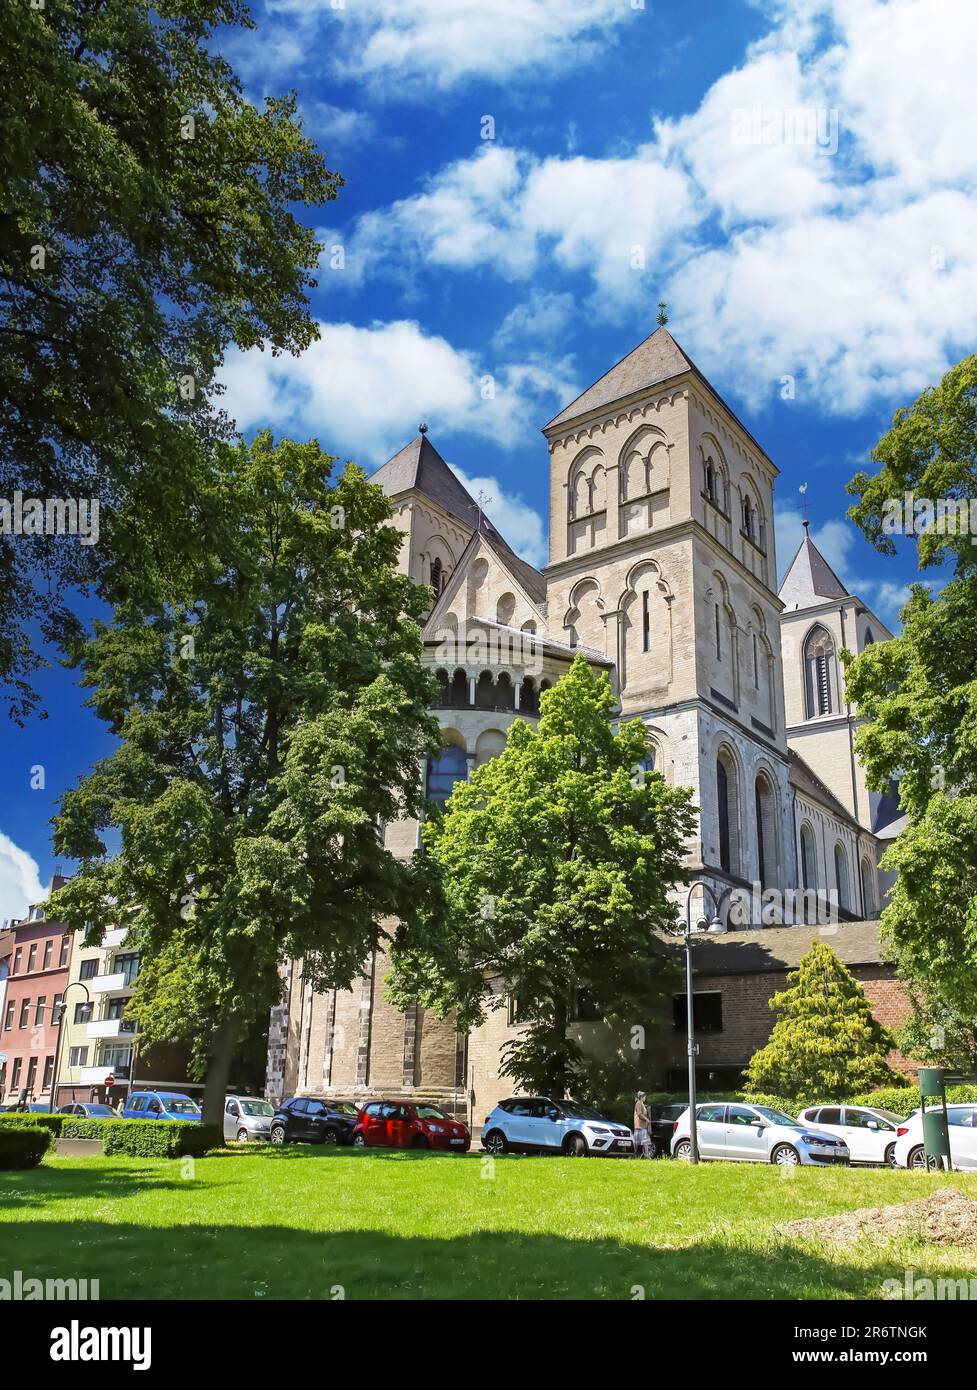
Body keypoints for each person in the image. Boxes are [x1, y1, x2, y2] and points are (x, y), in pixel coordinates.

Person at [633, 1091, 653, 1158]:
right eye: (644, 1097)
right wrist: (646, 1119)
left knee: (645, 1141)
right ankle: (636, 1154)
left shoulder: (641, 1103)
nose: (645, 1098)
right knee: (640, 1142)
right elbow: (639, 1113)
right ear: (641, 1097)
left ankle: (646, 1154)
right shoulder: (638, 1103)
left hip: (642, 1126)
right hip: (640, 1126)